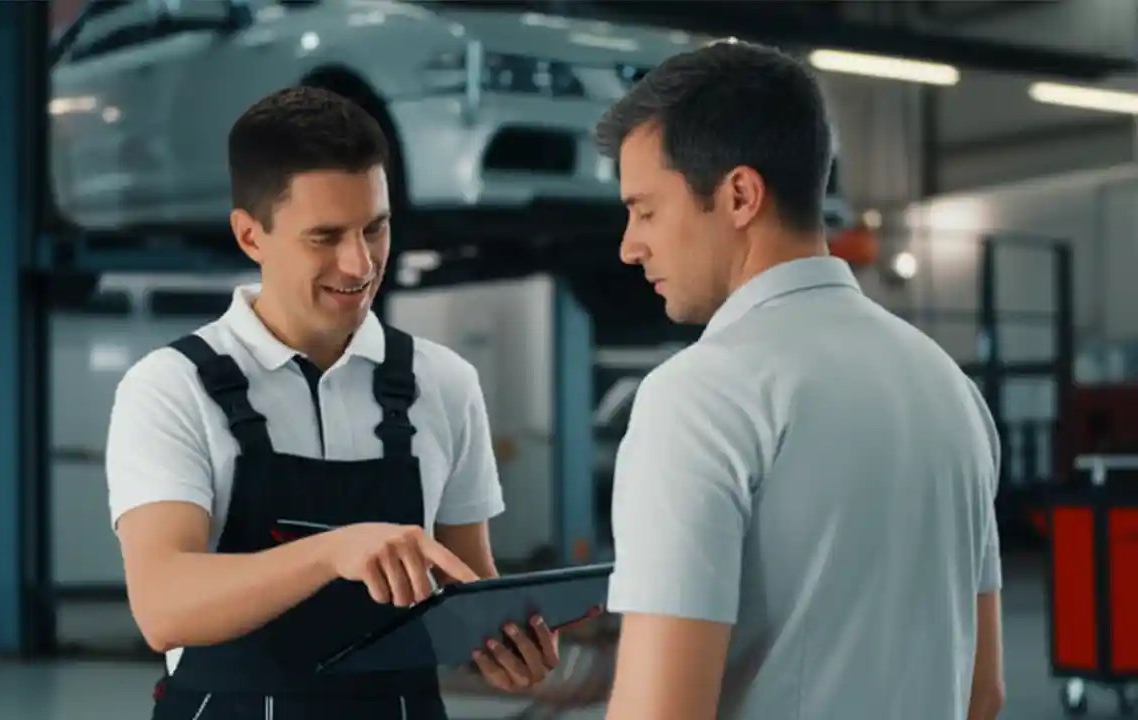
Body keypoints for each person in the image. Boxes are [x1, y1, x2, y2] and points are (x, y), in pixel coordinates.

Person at [104, 86, 558, 719]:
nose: (361, 261)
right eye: (325, 236)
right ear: (250, 235)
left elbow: (467, 582)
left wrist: (507, 643)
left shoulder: (444, 383)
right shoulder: (172, 388)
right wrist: (331, 551)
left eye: (376, 227)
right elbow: (163, 606)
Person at [594, 41, 1006, 720]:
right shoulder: (948, 387)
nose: (629, 245)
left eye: (645, 210)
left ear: (739, 195)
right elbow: (981, 693)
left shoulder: (700, 397)